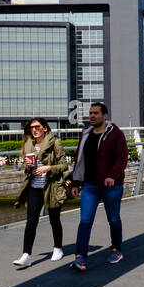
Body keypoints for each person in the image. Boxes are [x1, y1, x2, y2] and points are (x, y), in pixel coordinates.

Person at [69, 102, 127, 272]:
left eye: (95, 113)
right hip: (90, 186)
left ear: (105, 115)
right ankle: (80, 257)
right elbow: (79, 161)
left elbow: (122, 159)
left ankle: (116, 250)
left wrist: (112, 176)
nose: (92, 116)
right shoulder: (86, 134)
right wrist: (76, 183)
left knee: (114, 219)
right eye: (90, 113)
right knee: (85, 221)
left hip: (111, 186)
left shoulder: (116, 134)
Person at [13, 118, 68, 268]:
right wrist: (28, 167)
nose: (34, 130)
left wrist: (48, 168)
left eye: (37, 127)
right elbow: (28, 169)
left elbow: (64, 165)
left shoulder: (55, 143)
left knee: (54, 219)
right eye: (31, 128)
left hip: (52, 186)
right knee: (31, 221)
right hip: (34, 187)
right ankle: (26, 255)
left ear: (44, 128)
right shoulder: (28, 145)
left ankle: (58, 248)